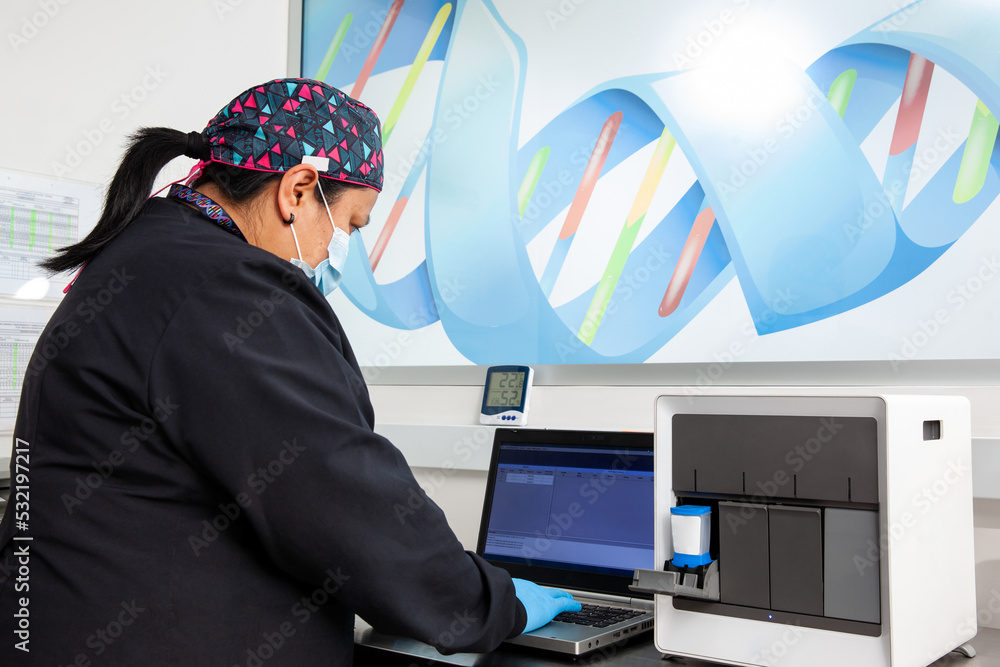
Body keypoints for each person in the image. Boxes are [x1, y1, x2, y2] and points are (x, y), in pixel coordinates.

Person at [0, 78, 579, 666]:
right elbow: (346, 504)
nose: (335, 249)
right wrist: (491, 604)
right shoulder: (226, 289)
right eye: (350, 224)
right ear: (298, 190)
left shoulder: (148, 256)